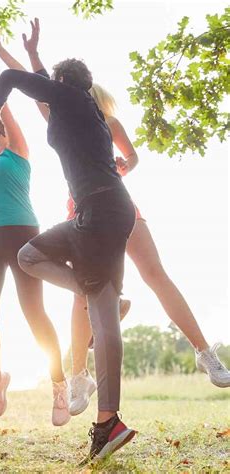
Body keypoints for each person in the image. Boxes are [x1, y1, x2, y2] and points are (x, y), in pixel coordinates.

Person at [0, 20, 137, 461]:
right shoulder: (78, 107)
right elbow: (40, 92)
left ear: (63, 83)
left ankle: (108, 422)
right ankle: (97, 296)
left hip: (101, 211)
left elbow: (16, 82)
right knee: (30, 255)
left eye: (52, 79)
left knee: (104, 320)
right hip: (102, 210)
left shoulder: (70, 98)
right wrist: (33, 52)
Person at [67, 83, 230, 416]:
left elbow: (133, 156)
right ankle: (79, 376)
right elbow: (38, 88)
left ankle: (204, 353)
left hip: (120, 205)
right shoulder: (64, 128)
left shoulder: (109, 125)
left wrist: (123, 165)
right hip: (82, 209)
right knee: (81, 293)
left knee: (156, 274)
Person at [0, 41, 69, 426]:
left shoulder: (21, 155)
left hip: (25, 233)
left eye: (1, 129)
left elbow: (6, 105)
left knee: (34, 312)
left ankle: (59, 388)